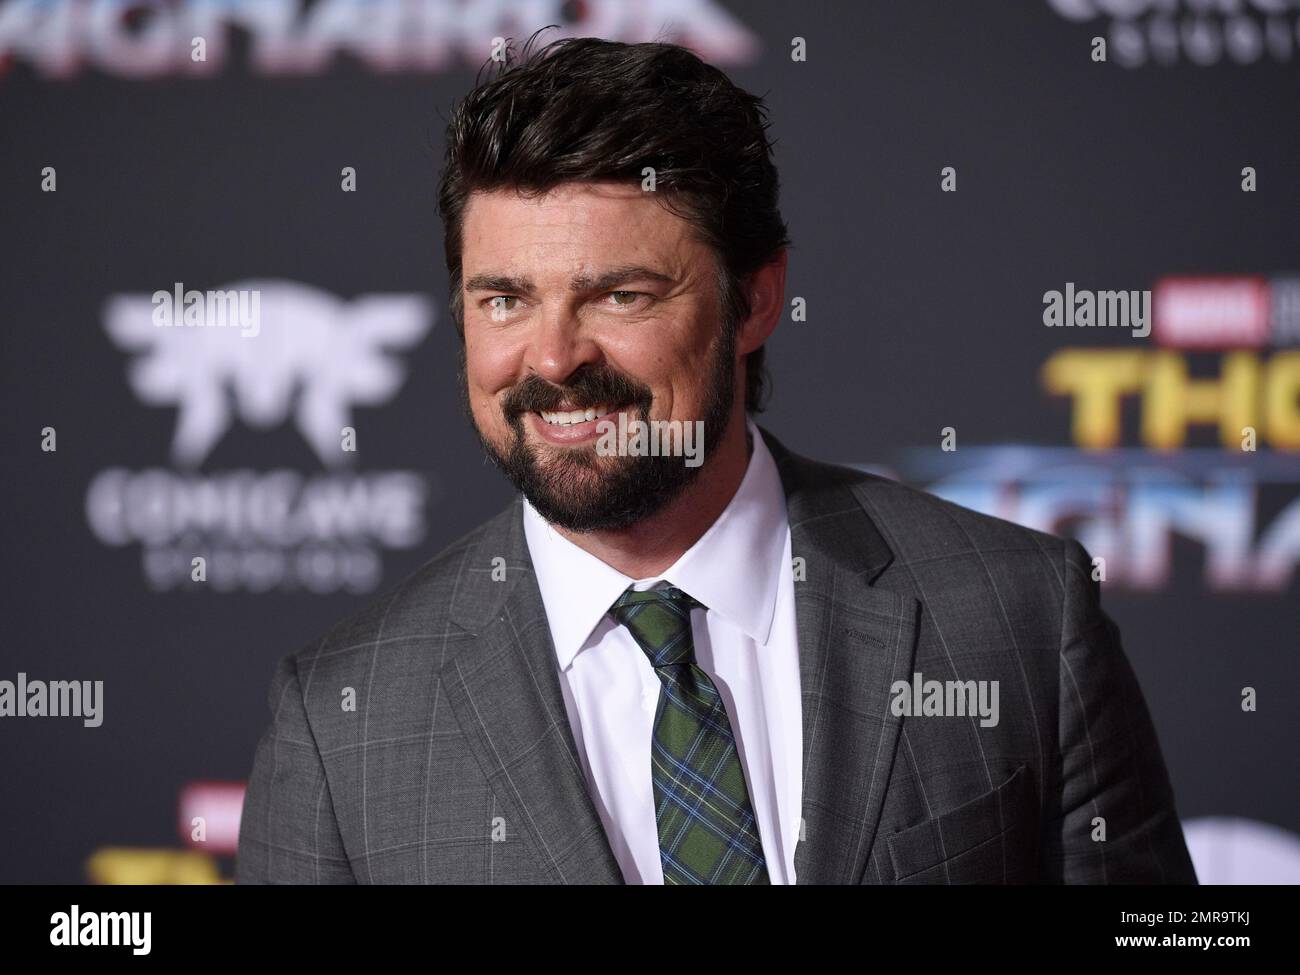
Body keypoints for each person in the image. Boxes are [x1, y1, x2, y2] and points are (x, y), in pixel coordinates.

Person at [236, 34, 1196, 884]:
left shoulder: (1017, 615)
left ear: (756, 299)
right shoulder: (343, 722)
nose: (554, 356)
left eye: (620, 295)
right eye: (504, 300)